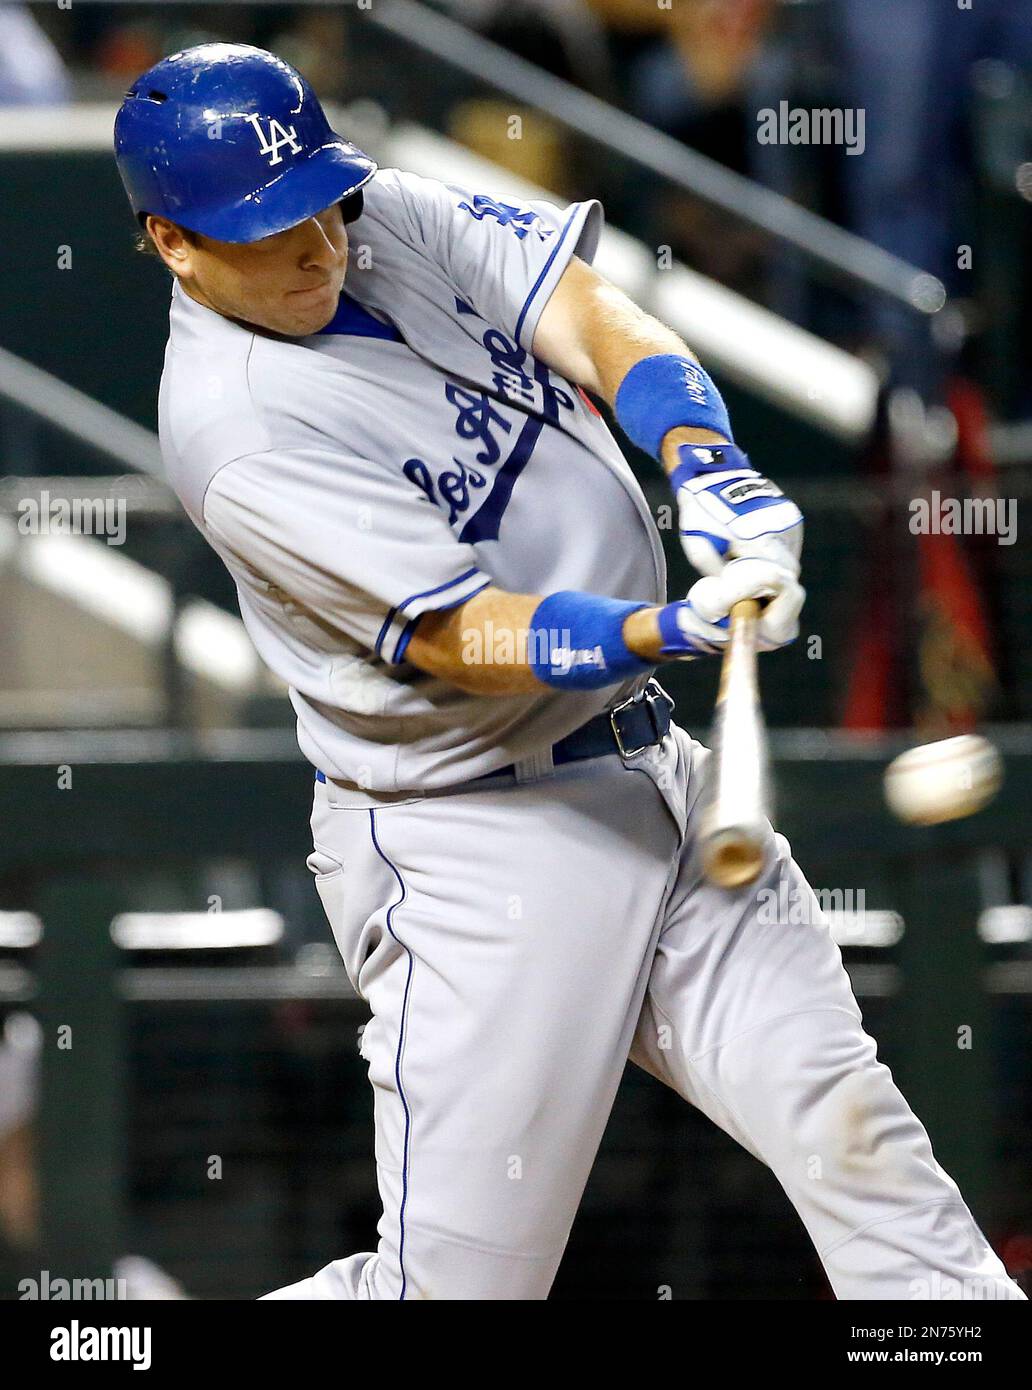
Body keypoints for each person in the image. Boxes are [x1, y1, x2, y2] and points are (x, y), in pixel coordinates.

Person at [114, 42, 1023, 1301]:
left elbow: (592, 316)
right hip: (480, 840)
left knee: (868, 1162)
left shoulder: (382, 222)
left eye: (319, 203)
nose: (319, 245)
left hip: (656, 778)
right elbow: (457, 638)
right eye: (269, 230)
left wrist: (707, 461)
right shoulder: (235, 426)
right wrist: (661, 629)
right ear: (173, 241)